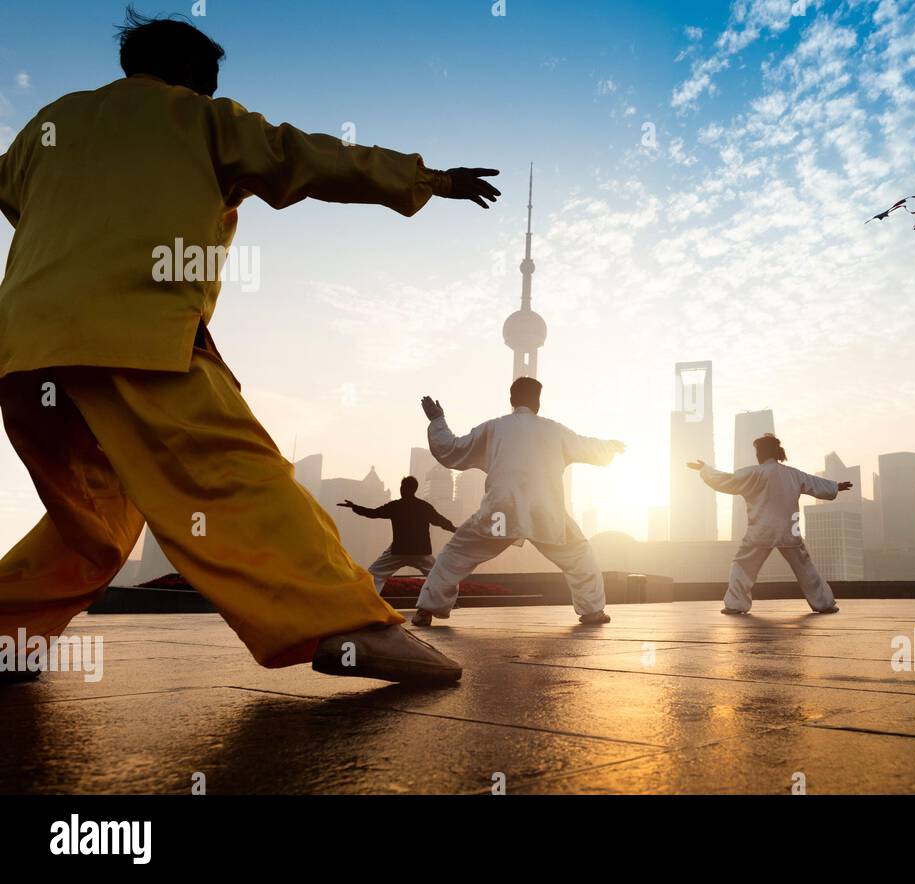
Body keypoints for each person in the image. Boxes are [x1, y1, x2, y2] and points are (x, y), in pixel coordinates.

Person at [0, 11, 502, 685]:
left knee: (92, 511)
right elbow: (315, 158)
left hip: (23, 349)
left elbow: (15, 195)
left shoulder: (49, 125)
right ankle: (344, 626)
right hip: (136, 336)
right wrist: (428, 179)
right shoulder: (199, 119)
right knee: (235, 475)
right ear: (197, 78)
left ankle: (6, 633)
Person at [413, 377, 625, 625]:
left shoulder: (494, 428)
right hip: (544, 513)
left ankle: (426, 609)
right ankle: (592, 611)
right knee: (578, 554)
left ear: (512, 400)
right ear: (538, 402)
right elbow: (587, 446)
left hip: (501, 513)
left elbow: (453, 449)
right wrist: (609, 446)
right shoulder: (554, 430)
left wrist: (438, 420)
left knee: (456, 553)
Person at [688, 433, 852, 615]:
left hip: (760, 531)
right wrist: (836, 486)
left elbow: (727, 480)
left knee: (742, 566)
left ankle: (735, 604)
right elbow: (814, 483)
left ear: (762, 452)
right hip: (789, 530)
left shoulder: (753, 473)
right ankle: (824, 603)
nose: (756, 455)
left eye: (757, 451)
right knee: (805, 568)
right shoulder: (792, 474)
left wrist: (706, 470)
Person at [338, 477, 457, 594]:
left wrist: (354, 507)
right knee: (440, 577)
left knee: (374, 575)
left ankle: (369, 601)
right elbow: (440, 521)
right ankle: (446, 601)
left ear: (404, 489)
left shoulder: (395, 506)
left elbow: (373, 513)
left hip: (399, 550)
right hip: (421, 551)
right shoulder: (424, 506)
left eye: (402, 487)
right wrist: (454, 529)